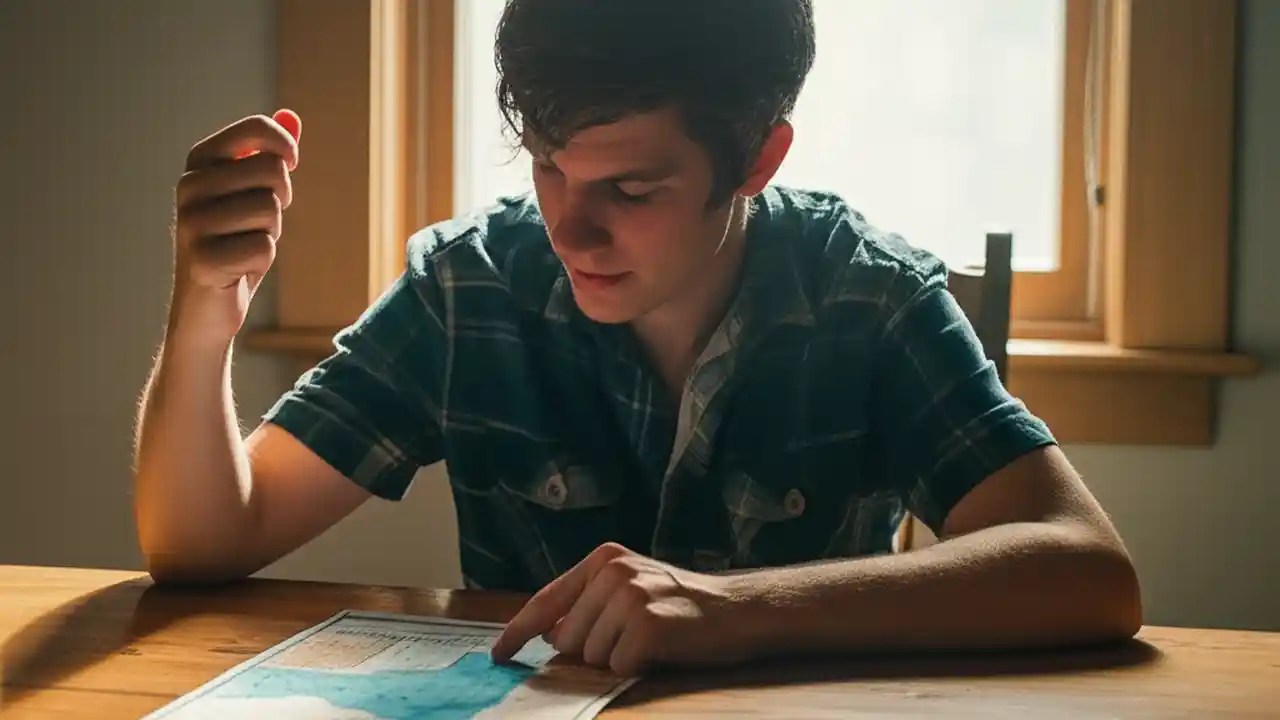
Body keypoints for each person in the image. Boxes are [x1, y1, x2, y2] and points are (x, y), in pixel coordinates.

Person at [133, 0, 1141, 677]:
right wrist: (205, 313)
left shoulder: (864, 296)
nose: (568, 230)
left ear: (755, 159)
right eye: (545, 167)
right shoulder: (470, 286)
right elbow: (203, 541)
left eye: (628, 189)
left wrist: (731, 612)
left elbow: (1087, 569)